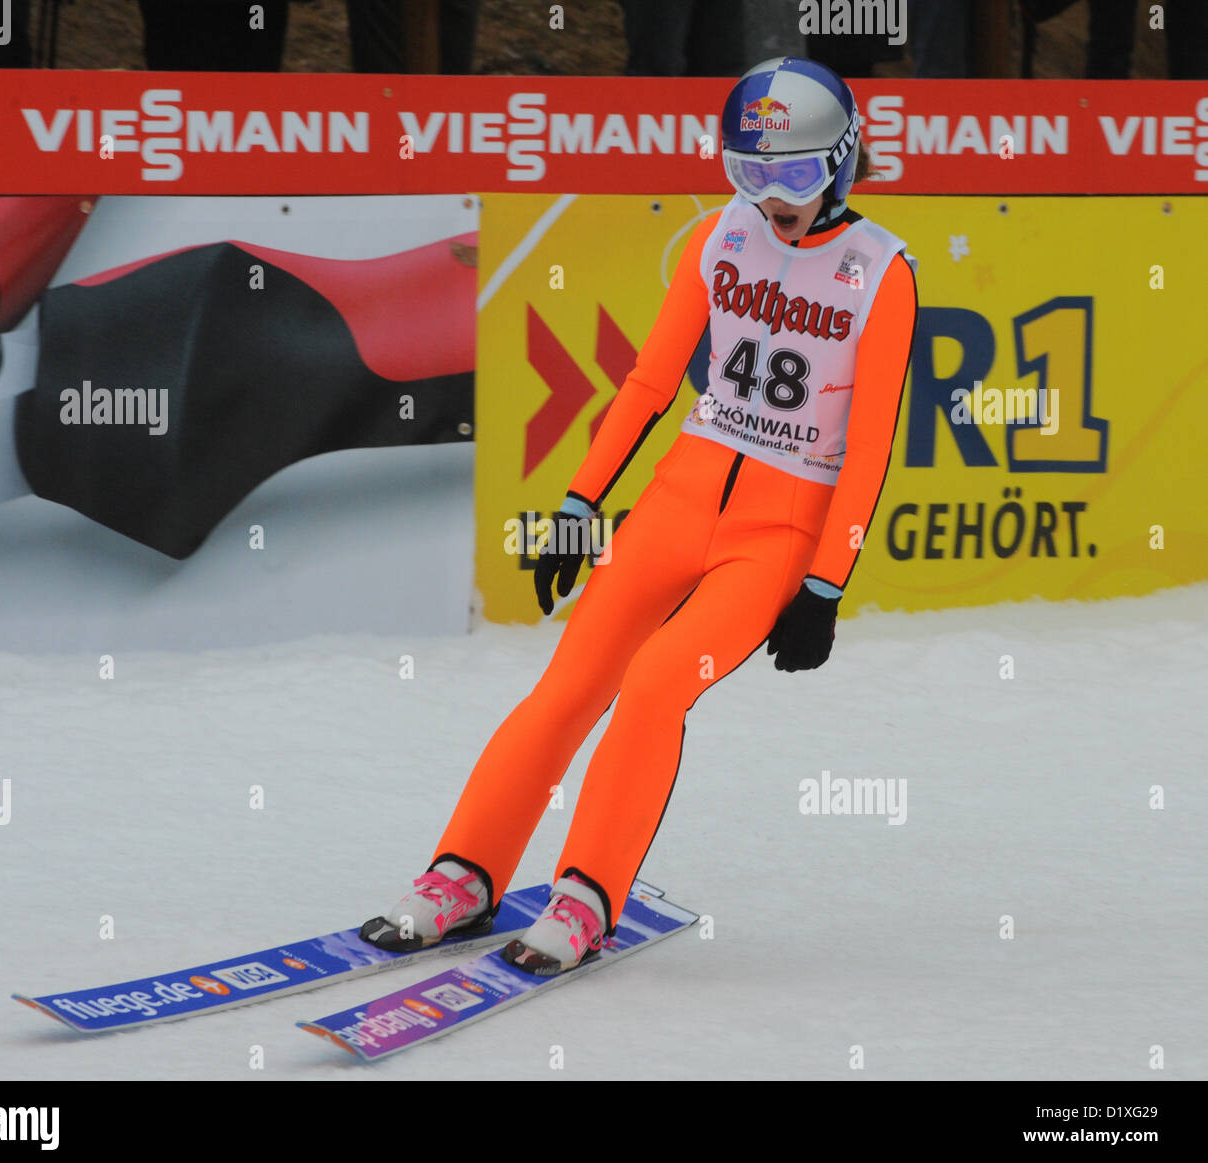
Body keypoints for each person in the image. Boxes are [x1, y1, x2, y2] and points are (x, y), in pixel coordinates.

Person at [361, 56, 919, 975]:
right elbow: (651, 382)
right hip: (680, 497)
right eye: (747, 171)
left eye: (791, 174)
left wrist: (825, 582)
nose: (767, 198)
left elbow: (869, 449)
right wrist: (582, 502)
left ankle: (585, 894)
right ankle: (462, 875)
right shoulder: (723, 238)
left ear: (843, 161)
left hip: (777, 531)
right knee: (572, 680)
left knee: (659, 681)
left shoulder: (879, 271)